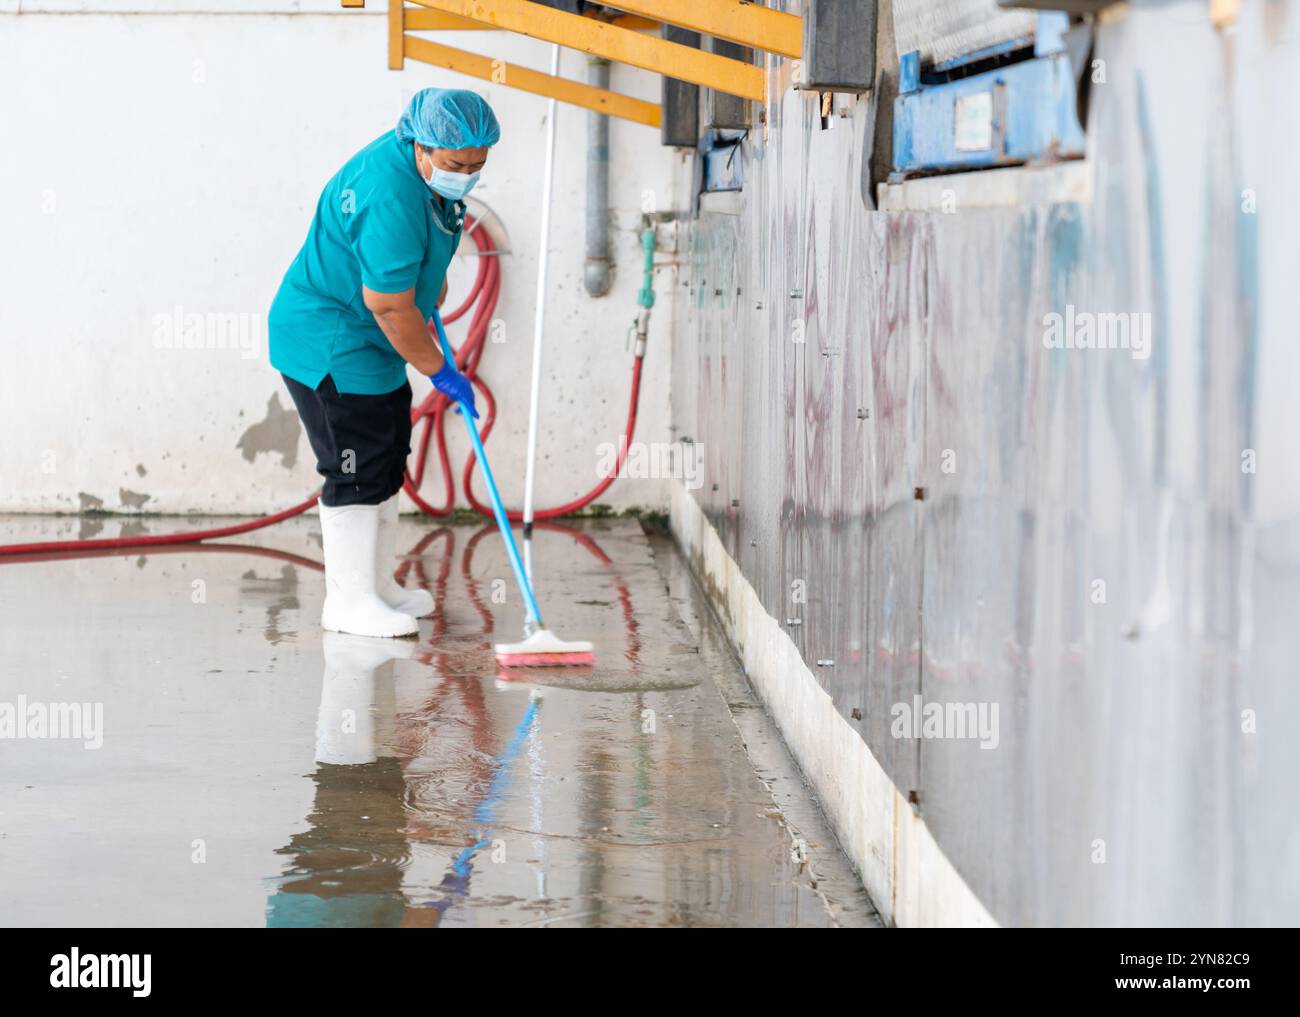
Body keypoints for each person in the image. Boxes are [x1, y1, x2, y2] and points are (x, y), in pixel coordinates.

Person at [269, 88, 499, 638]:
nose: (465, 174)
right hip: (333, 342)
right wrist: (441, 370)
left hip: (369, 340)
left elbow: (421, 246)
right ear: (422, 147)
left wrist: (431, 277)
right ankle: (347, 602)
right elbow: (391, 308)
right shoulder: (389, 192)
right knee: (353, 467)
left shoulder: (419, 170)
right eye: (455, 164)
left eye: (476, 165)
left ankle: (377, 587)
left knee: (387, 451)